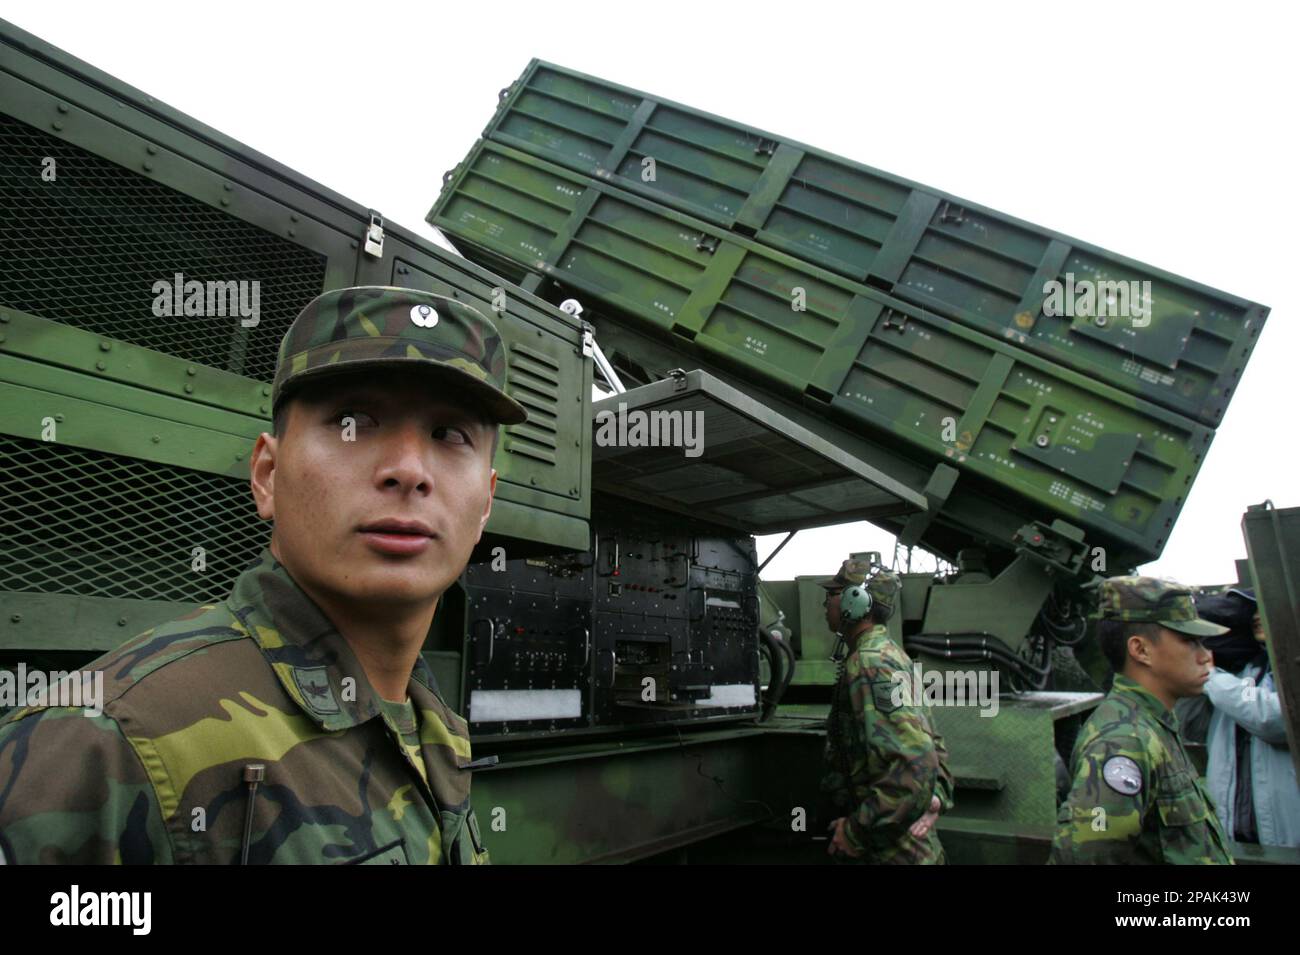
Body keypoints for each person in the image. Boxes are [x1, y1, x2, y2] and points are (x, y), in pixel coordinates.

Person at [0, 286, 527, 864]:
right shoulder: (102, 746)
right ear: (268, 475)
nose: (408, 470)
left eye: (450, 435)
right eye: (353, 422)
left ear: (485, 506)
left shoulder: (433, 725)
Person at [1050, 576, 1234, 864]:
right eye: (1189, 641)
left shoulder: (1152, 724)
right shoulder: (1123, 742)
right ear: (1141, 650)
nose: (1205, 656)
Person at [820, 557, 954, 863]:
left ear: (855, 602)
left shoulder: (870, 663)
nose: (824, 604)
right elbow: (932, 741)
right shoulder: (892, 655)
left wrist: (855, 832)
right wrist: (937, 797)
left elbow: (914, 759)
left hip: (890, 851)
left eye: (831, 596)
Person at [1200, 590, 1300, 849]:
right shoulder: (1247, 671)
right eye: (1252, 610)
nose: (1256, 616)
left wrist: (1210, 677)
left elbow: (1275, 718)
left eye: (1264, 606)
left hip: (1288, 844)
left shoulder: (1223, 682)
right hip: (1236, 841)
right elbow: (1194, 724)